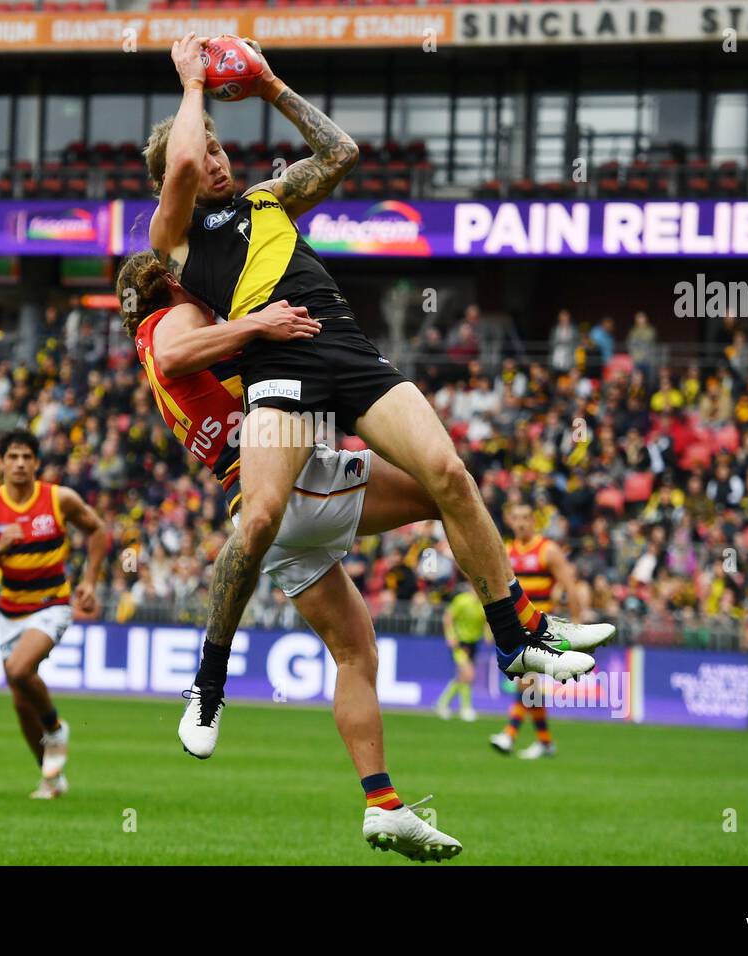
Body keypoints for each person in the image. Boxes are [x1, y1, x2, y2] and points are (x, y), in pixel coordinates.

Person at [144, 33, 601, 748]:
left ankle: (516, 637)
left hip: (347, 348)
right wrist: (193, 81)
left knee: (448, 473)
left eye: (219, 147)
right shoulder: (173, 234)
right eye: (203, 152)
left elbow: (341, 154)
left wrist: (269, 87)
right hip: (278, 362)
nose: (216, 158)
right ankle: (208, 684)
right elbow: (177, 160)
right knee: (259, 519)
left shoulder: (267, 200)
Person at [116, 252, 468, 860]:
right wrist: (261, 323)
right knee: (450, 488)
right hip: (288, 484)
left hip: (268, 514)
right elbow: (181, 353)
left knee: (355, 651)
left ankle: (381, 802)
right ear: (171, 284)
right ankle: (517, 626)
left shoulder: (151, 340)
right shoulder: (172, 322)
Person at [0, 430, 109, 799]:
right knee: (19, 701)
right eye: (12, 456)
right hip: (11, 610)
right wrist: (2, 546)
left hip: (52, 604)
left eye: (27, 457)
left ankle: (56, 729)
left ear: (37, 463)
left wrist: (90, 582)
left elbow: (97, 531)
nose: (20, 464)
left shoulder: (59, 499)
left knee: (18, 670)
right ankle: (51, 776)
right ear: (0, 463)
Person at [490, 502, 595, 760]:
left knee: (527, 680)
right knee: (529, 684)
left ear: (534, 521)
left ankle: (509, 734)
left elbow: (569, 586)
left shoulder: (547, 550)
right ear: (510, 521)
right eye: (516, 517)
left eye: (526, 517)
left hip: (540, 627)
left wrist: (577, 624)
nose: (521, 522)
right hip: (515, 627)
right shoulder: (506, 551)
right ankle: (545, 742)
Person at [434, 582, 491, 722]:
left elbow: (486, 621)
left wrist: (488, 635)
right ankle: (465, 708)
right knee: (468, 674)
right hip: (460, 642)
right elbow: (448, 618)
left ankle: (442, 704)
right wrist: (450, 635)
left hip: (473, 644)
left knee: (462, 677)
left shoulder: (484, 604)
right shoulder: (462, 600)